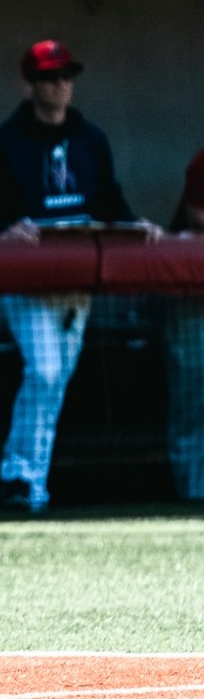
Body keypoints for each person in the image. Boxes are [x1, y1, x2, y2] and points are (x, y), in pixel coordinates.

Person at [0, 40, 147, 514]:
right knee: (45, 371)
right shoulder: (1, 142)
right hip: (26, 278)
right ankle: (18, 475)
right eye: (49, 77)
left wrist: (136, 226)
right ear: (28, 85)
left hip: (77, 274)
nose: (60, 85)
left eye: (66, 76)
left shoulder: (91, 139)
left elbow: (109, 199)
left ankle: (30, 483)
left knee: (56, 378)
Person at [163, 153, 204, 501]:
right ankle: (192, 492)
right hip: (191, 289)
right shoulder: (202, 162)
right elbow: (198, 216)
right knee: (193, 392)